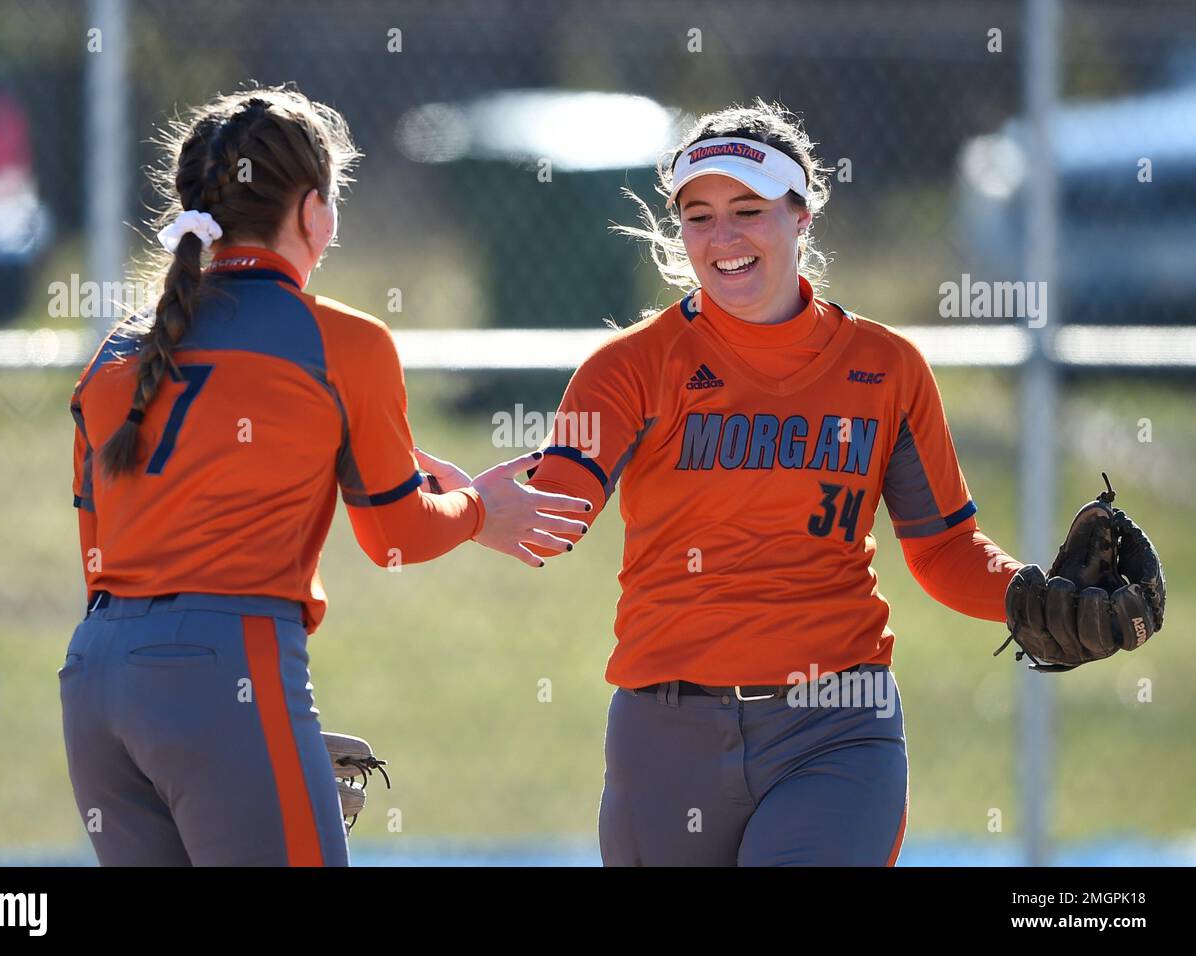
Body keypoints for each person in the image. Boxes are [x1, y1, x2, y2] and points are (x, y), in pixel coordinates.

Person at [419, 98, 1161, 866]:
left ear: (801, 214)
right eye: (698, 215)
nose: (723, 236)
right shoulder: (631, 367)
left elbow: (943, 548)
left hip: (836, 725)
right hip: (668, 735)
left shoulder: (885, 369)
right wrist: (465, 506)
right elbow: (559, 504)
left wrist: (1024, 596)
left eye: (748, 208)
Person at [60, 85, 590, 867]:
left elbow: (106, 550)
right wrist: (479, 509)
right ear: (312, 211)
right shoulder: (342, 340)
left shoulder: (120, 350)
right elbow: (397, 537)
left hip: (96, 679)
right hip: (227, 663)